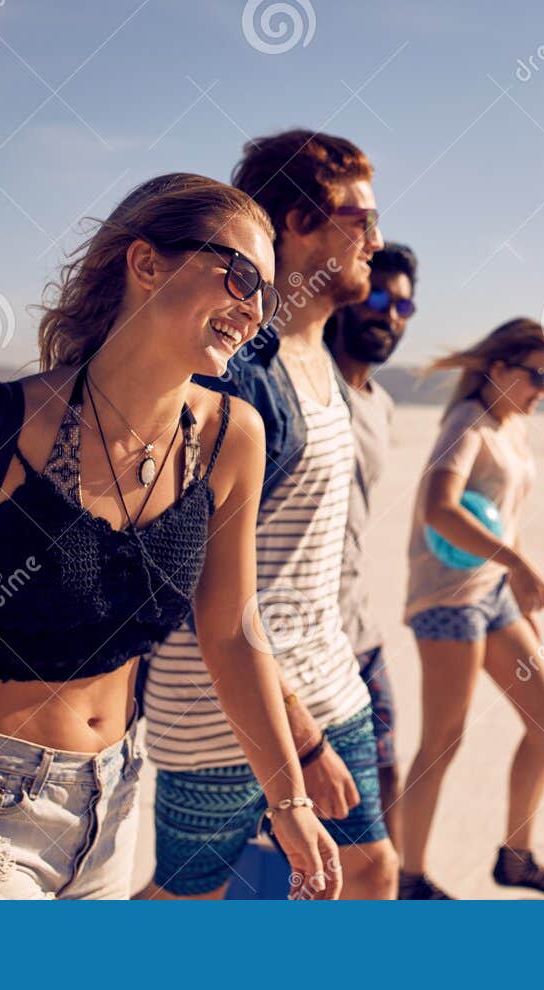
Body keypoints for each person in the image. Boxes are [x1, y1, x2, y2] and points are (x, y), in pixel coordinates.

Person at [0, 173, 339, 899]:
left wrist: (290, 800)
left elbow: (232, 633)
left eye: (266, 297)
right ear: (147, 263)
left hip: (115, 807)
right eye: (241, 276)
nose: (253, 312)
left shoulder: (230, 437)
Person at [140, 130, 398, 900]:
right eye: (360, 221)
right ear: (296, 224)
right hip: (221, 708)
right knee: (188, 902)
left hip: (328, 679)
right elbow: (200, 592)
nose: (377, 244)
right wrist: (302, 742)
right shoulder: (241, 377)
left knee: (368, 872)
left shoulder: (328, 368)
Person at [396, 318, 544, 899]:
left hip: (492, 595)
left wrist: (517, 587)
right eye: (535, 376)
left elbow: (502, 517)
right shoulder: (465, 423)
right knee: (442, 743)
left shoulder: (512, 427)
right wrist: (519, 565)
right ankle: (410, 879)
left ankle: (515, 857)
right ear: (497, 369)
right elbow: (438, 510)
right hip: (447, 601)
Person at [323, 242, 419, 844]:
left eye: (405, 306)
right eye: (379, 297)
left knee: (385, 771)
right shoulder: (303, 385)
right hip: (293, 632)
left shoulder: (381, 404)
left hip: (359, 628)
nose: (389, 315)